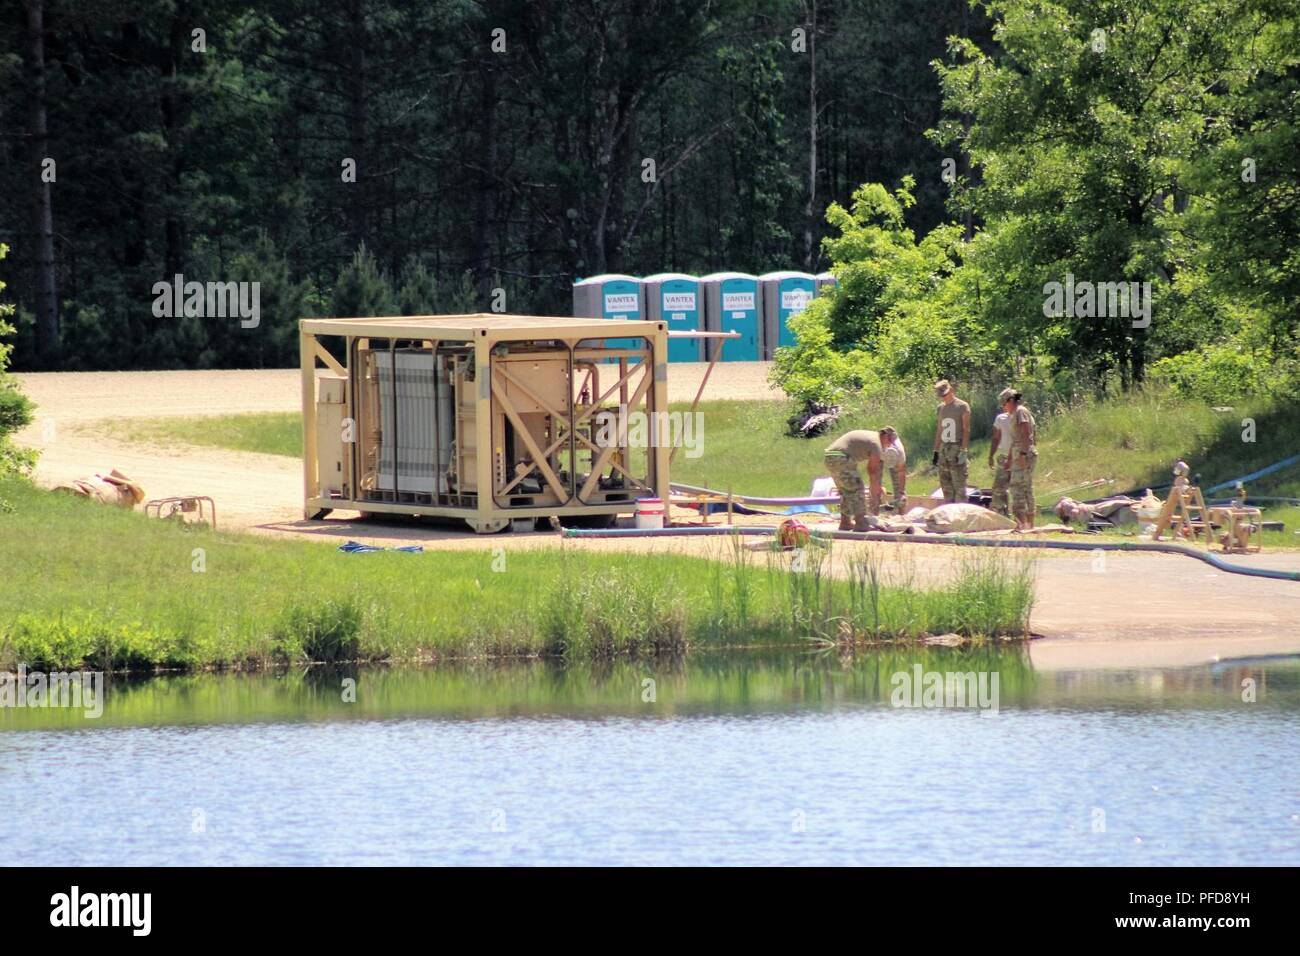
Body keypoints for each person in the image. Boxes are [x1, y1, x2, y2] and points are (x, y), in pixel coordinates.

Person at [824, 428, 897, 531]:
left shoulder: (872, 438)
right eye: (890, 440)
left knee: (846, 491)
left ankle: (845, 522)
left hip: (830, 458)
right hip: (841, 458)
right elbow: (872, 470)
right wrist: (875, 486)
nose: (890, 444)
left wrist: (875, 485)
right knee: (857, 488)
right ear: (884, 436)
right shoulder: (876, 444)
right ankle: (861, 522)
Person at [998, 387, 1037, 531]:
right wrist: (1010, 458)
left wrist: (1022, 455)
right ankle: (1024, 522)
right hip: (1017, 453)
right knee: (1020, 487)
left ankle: (1026, 523)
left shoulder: (1021, 411)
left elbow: (1026, 433)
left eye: (1004, 403)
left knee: (1021, 488)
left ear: (1011, 401)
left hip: (1024, 454)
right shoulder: (1015, 414)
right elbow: (1015, 439)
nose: (1003, 407)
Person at [931, 379, 970, 503]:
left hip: (956, 446)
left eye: (945, 394)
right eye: (941, 395)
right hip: (944, 448)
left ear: (951, 390)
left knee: (959, 486)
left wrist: (963, 450)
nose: (944, 397)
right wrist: (936, 451)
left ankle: (961, 516)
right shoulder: (941, 408)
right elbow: (939, 430)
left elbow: (966, 429)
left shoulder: (962, 406)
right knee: (946, 485)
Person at [986, 405, 1014, 515]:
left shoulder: (1001, 419)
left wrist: (991, 456)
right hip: (1016, 456)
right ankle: (1006, 512)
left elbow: (996, 438)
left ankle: (1000, 512)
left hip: (1009, 456)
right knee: (1010, 488)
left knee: (999, 488)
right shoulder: (1026, 417)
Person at [879, 426, 908, 511]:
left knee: (898, 487)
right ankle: (875, 509)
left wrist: (901, 492)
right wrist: (878, 486)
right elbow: (873, 470)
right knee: (876, 482)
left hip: (891, 442)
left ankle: (900, 510)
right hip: (881, 449)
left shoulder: (900, 455)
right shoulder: (877, 449)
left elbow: (901, 473)